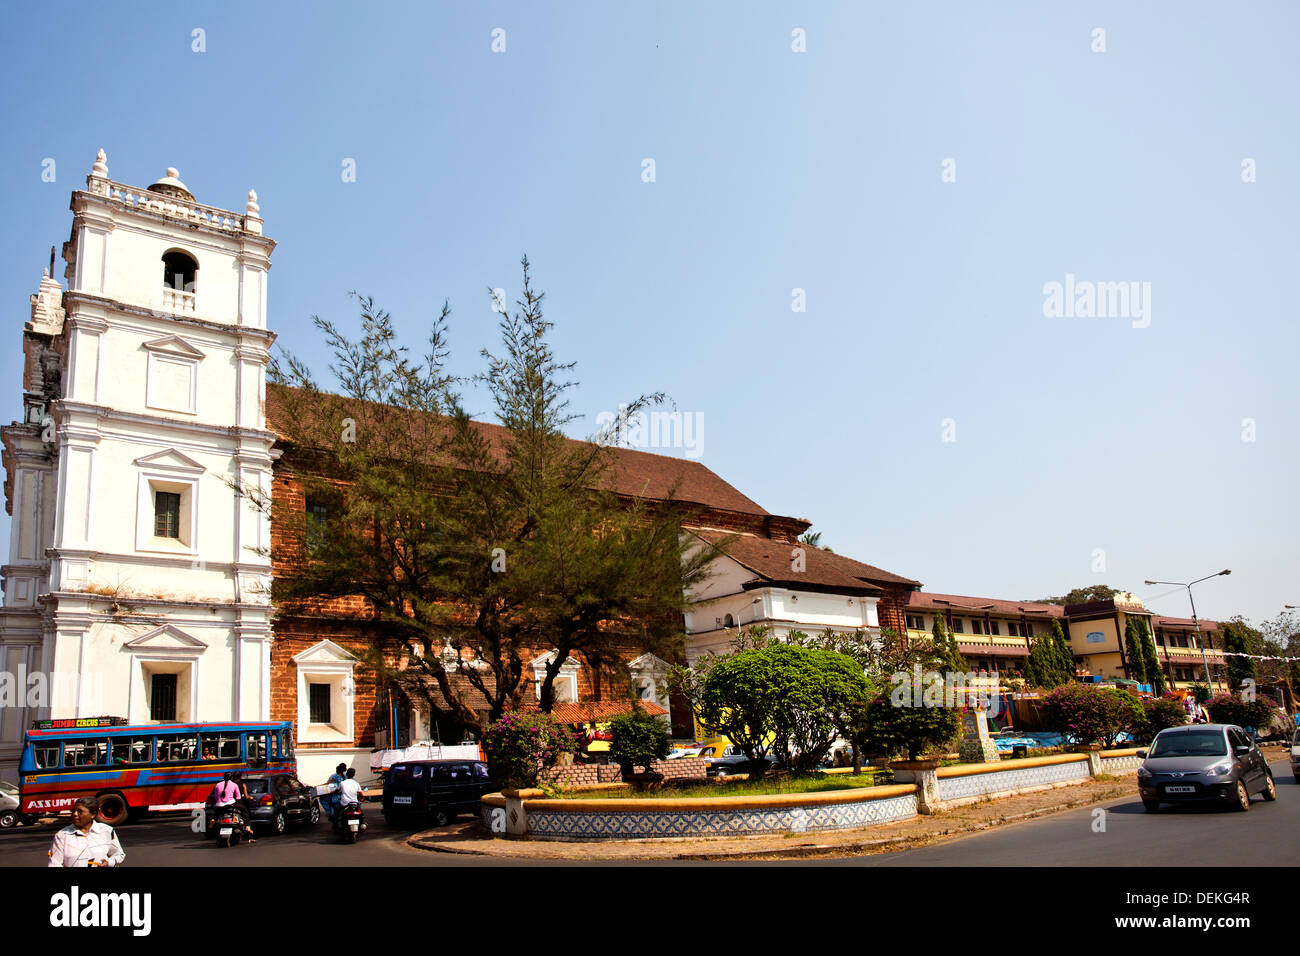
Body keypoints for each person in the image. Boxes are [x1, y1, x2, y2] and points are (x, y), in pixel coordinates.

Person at [47, 796, 125, 867]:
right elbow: (54, 864)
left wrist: (109, 862)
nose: (74, 814)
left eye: (79, 811)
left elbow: (119, 854)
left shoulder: (106, 831)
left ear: (93, 814)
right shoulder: (62, 836)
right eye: (73, 811)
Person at [210, 771, 255, 841]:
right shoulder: (234, 785)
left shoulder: (217, 785)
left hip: (219, 805)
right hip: (231, 804)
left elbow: (216, 797)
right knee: (244, 810)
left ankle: (213, 819)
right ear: (231, 777)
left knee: (216, 813)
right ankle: (247, 827)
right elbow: (238, 797)